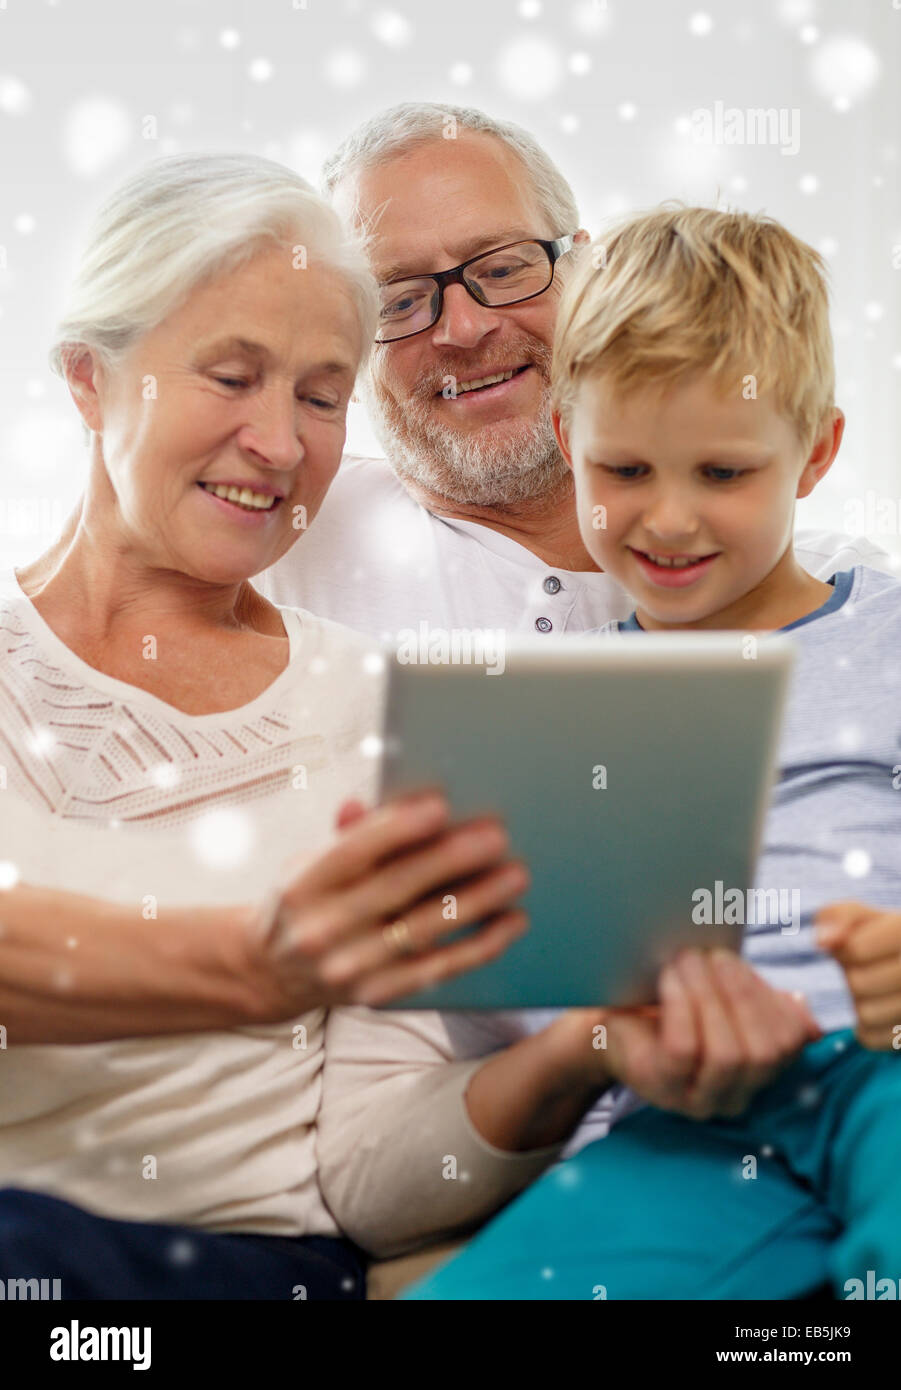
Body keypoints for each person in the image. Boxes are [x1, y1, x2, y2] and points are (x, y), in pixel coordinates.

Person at [0, 151, 535, 1299]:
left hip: (244, 1271)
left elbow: (374, 1160)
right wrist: (250, 967)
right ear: (90, 379)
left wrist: (582, 1054)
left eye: (322, 396)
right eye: (232, 376)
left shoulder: (390, 713)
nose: (282, 447)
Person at [402, 204, 901, 1299]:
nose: (666, 519)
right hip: (679, 1109)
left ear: (813, 453)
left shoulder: (886, 633)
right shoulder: (561, 703)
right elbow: (535, 994)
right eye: (622, 470)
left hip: (881, 1068)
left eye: (722, 474)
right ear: (567, 445)